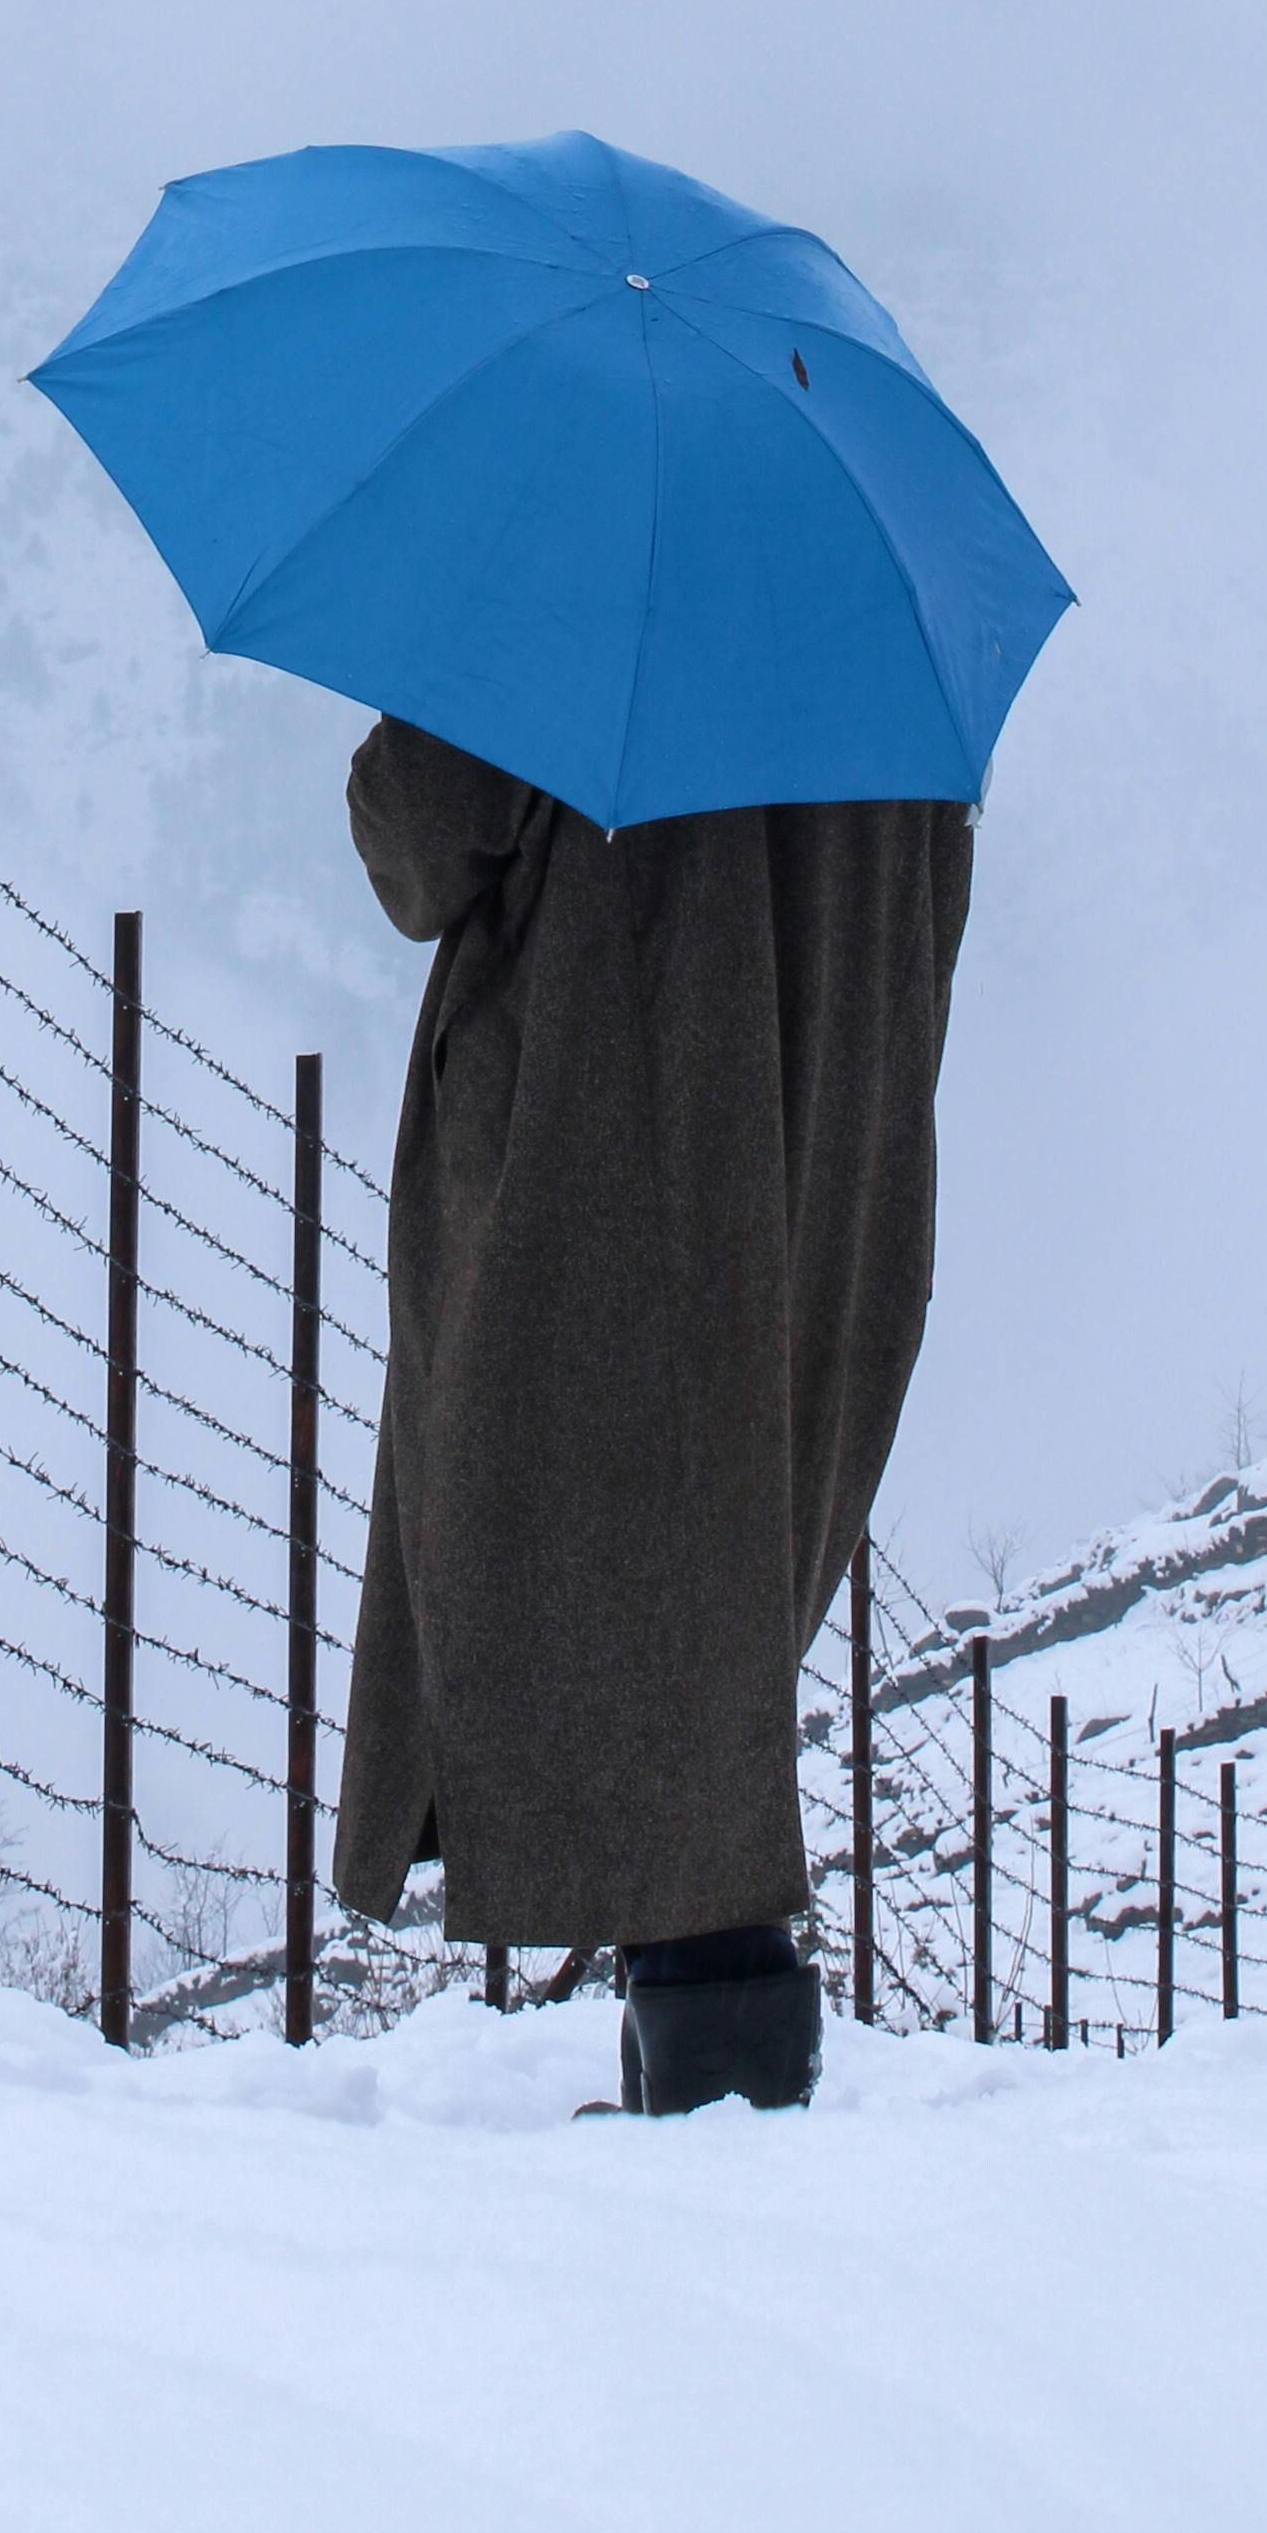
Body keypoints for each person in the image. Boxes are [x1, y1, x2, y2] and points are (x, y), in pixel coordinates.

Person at [326, 712, 973, 2114]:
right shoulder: (894, 662)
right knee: (706, 1612)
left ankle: (716, 2072)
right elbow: (937, 907)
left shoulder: (583, 562)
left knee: (590, 1569)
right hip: (823, 1176)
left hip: (608, 1157)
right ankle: (709, 2050)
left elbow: (420, 849)